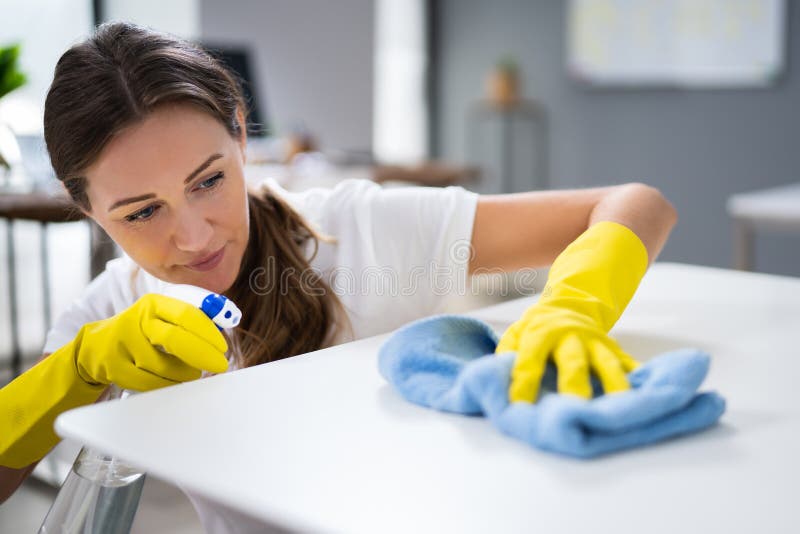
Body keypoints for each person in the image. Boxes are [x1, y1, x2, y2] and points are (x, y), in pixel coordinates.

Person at [0, 21, 677, 528]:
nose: (194, 235)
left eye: (208, 181)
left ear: (241, 135)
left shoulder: (362, 230)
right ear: (85, 208)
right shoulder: (108, 317)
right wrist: (77, 371)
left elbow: (635, 204)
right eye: (142, 211)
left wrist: (573, 307)